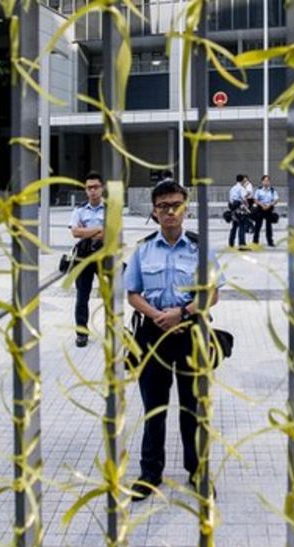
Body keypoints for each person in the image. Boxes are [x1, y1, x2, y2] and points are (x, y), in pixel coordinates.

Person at [125, 180, 224, 501]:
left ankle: (197, 472)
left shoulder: (200, 247)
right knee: (154, 409)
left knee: (192, 409)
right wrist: (156, 315)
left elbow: (213, 293)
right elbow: (132, 294)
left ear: (186, 208)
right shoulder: (142, 249)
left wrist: (181, 313)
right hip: (152, 336)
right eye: (163, 206)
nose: (170, 211)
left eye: (176, 204)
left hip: (190, 334)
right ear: (154, 212)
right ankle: (150, 473)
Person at [69, 172, 106, 347]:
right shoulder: (79, 209)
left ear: (102, 188)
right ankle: (81, 333)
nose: (92, 191)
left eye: (95, 187)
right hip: (83, 257)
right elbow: (75, 232)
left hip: (104, 255)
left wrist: (87, 231)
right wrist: (99, 229)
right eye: (89, 188)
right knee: (82, 296)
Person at [227, 174, 251, 248]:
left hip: (233, 208)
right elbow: (244, 198)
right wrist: (247, 206)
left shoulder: (232, 188)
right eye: (244, 180)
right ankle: (242, 244)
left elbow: (230, 199)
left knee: (234, 226)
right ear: (242, 180)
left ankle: (231, 243)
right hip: (240, 208)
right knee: (242, 226)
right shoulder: (241, 188)